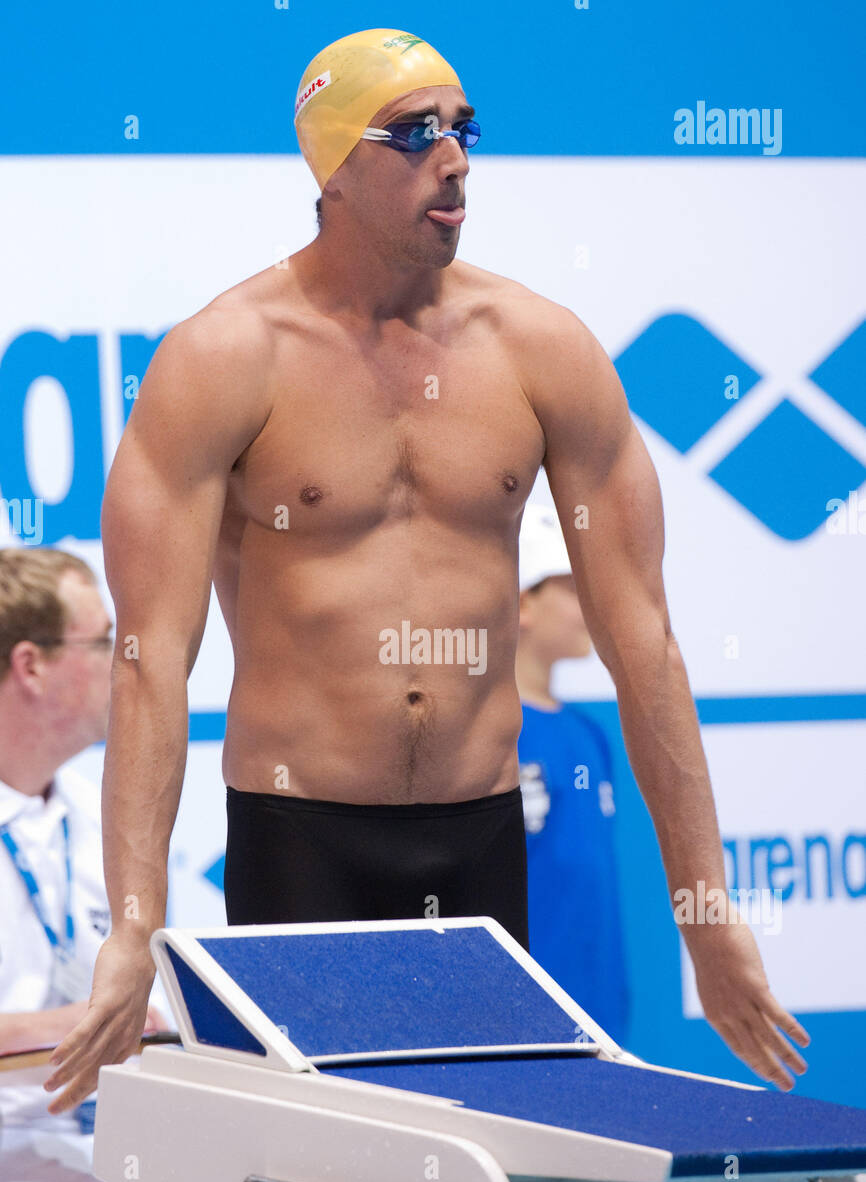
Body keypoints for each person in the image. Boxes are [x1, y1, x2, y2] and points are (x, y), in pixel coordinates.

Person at [47, 26, 809, 1115]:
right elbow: (148, 662)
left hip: (478, 840)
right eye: (411, 134)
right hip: (300, 839)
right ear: (330, 167)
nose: (452, 158)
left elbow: (643, 644)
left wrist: (705, 910)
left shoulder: (541, 352)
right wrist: (134, 924)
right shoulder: (224, 359)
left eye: (463, 129)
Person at [0, 546, 257, 1182]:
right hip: (17, 1144)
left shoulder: (94, 813)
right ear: (30, 665)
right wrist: (79, 1024)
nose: (126, 663)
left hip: (106, 1131)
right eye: (104, 641)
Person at [516, 505, 629, 1041]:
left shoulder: (591, 733)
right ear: (523, 603)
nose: (592, 603)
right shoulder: (485, 738)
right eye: (572, 587)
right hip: (520, 1021)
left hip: (601, 1015)